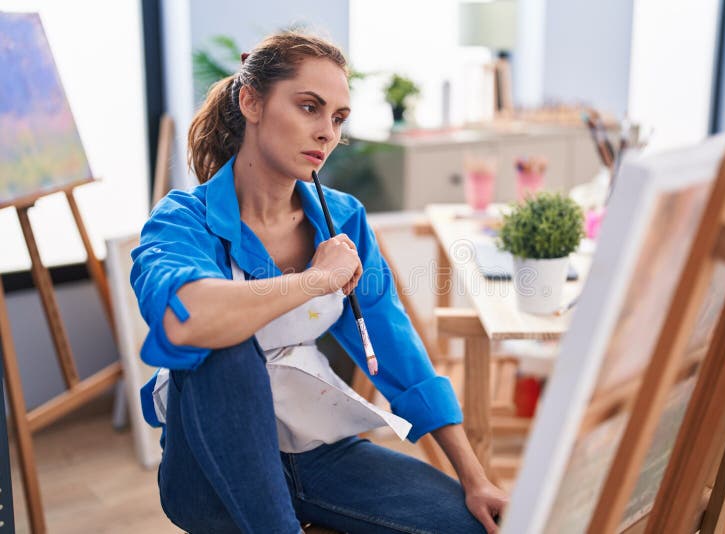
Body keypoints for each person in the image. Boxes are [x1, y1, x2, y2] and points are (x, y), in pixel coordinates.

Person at [131, 31, 507, 534]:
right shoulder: (182, 220)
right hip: (209, 472)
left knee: (465, 525)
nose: (327, 132)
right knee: (225, 342)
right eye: (309, 107)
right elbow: (187, 320)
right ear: (251, 102)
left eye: (337, 118)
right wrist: (315, 279)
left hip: (315, 454)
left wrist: (475, 478)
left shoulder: (342, 220)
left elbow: (399, 352)